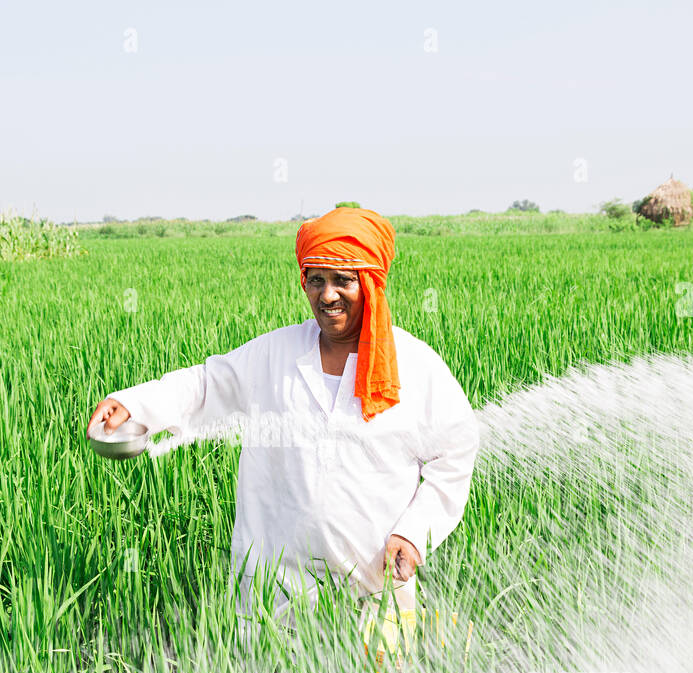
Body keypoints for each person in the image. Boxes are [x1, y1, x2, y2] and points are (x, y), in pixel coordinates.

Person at [86, 206, 479, 644]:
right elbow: (206, 385)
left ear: (370, 284)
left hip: (373, 588)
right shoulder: (276, 354)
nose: (328, 295)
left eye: (343, 280)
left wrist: (414, 533)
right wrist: (132, 404)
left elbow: (455, 453)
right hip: (273, 594)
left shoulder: (416, 367)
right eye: (316, 279)